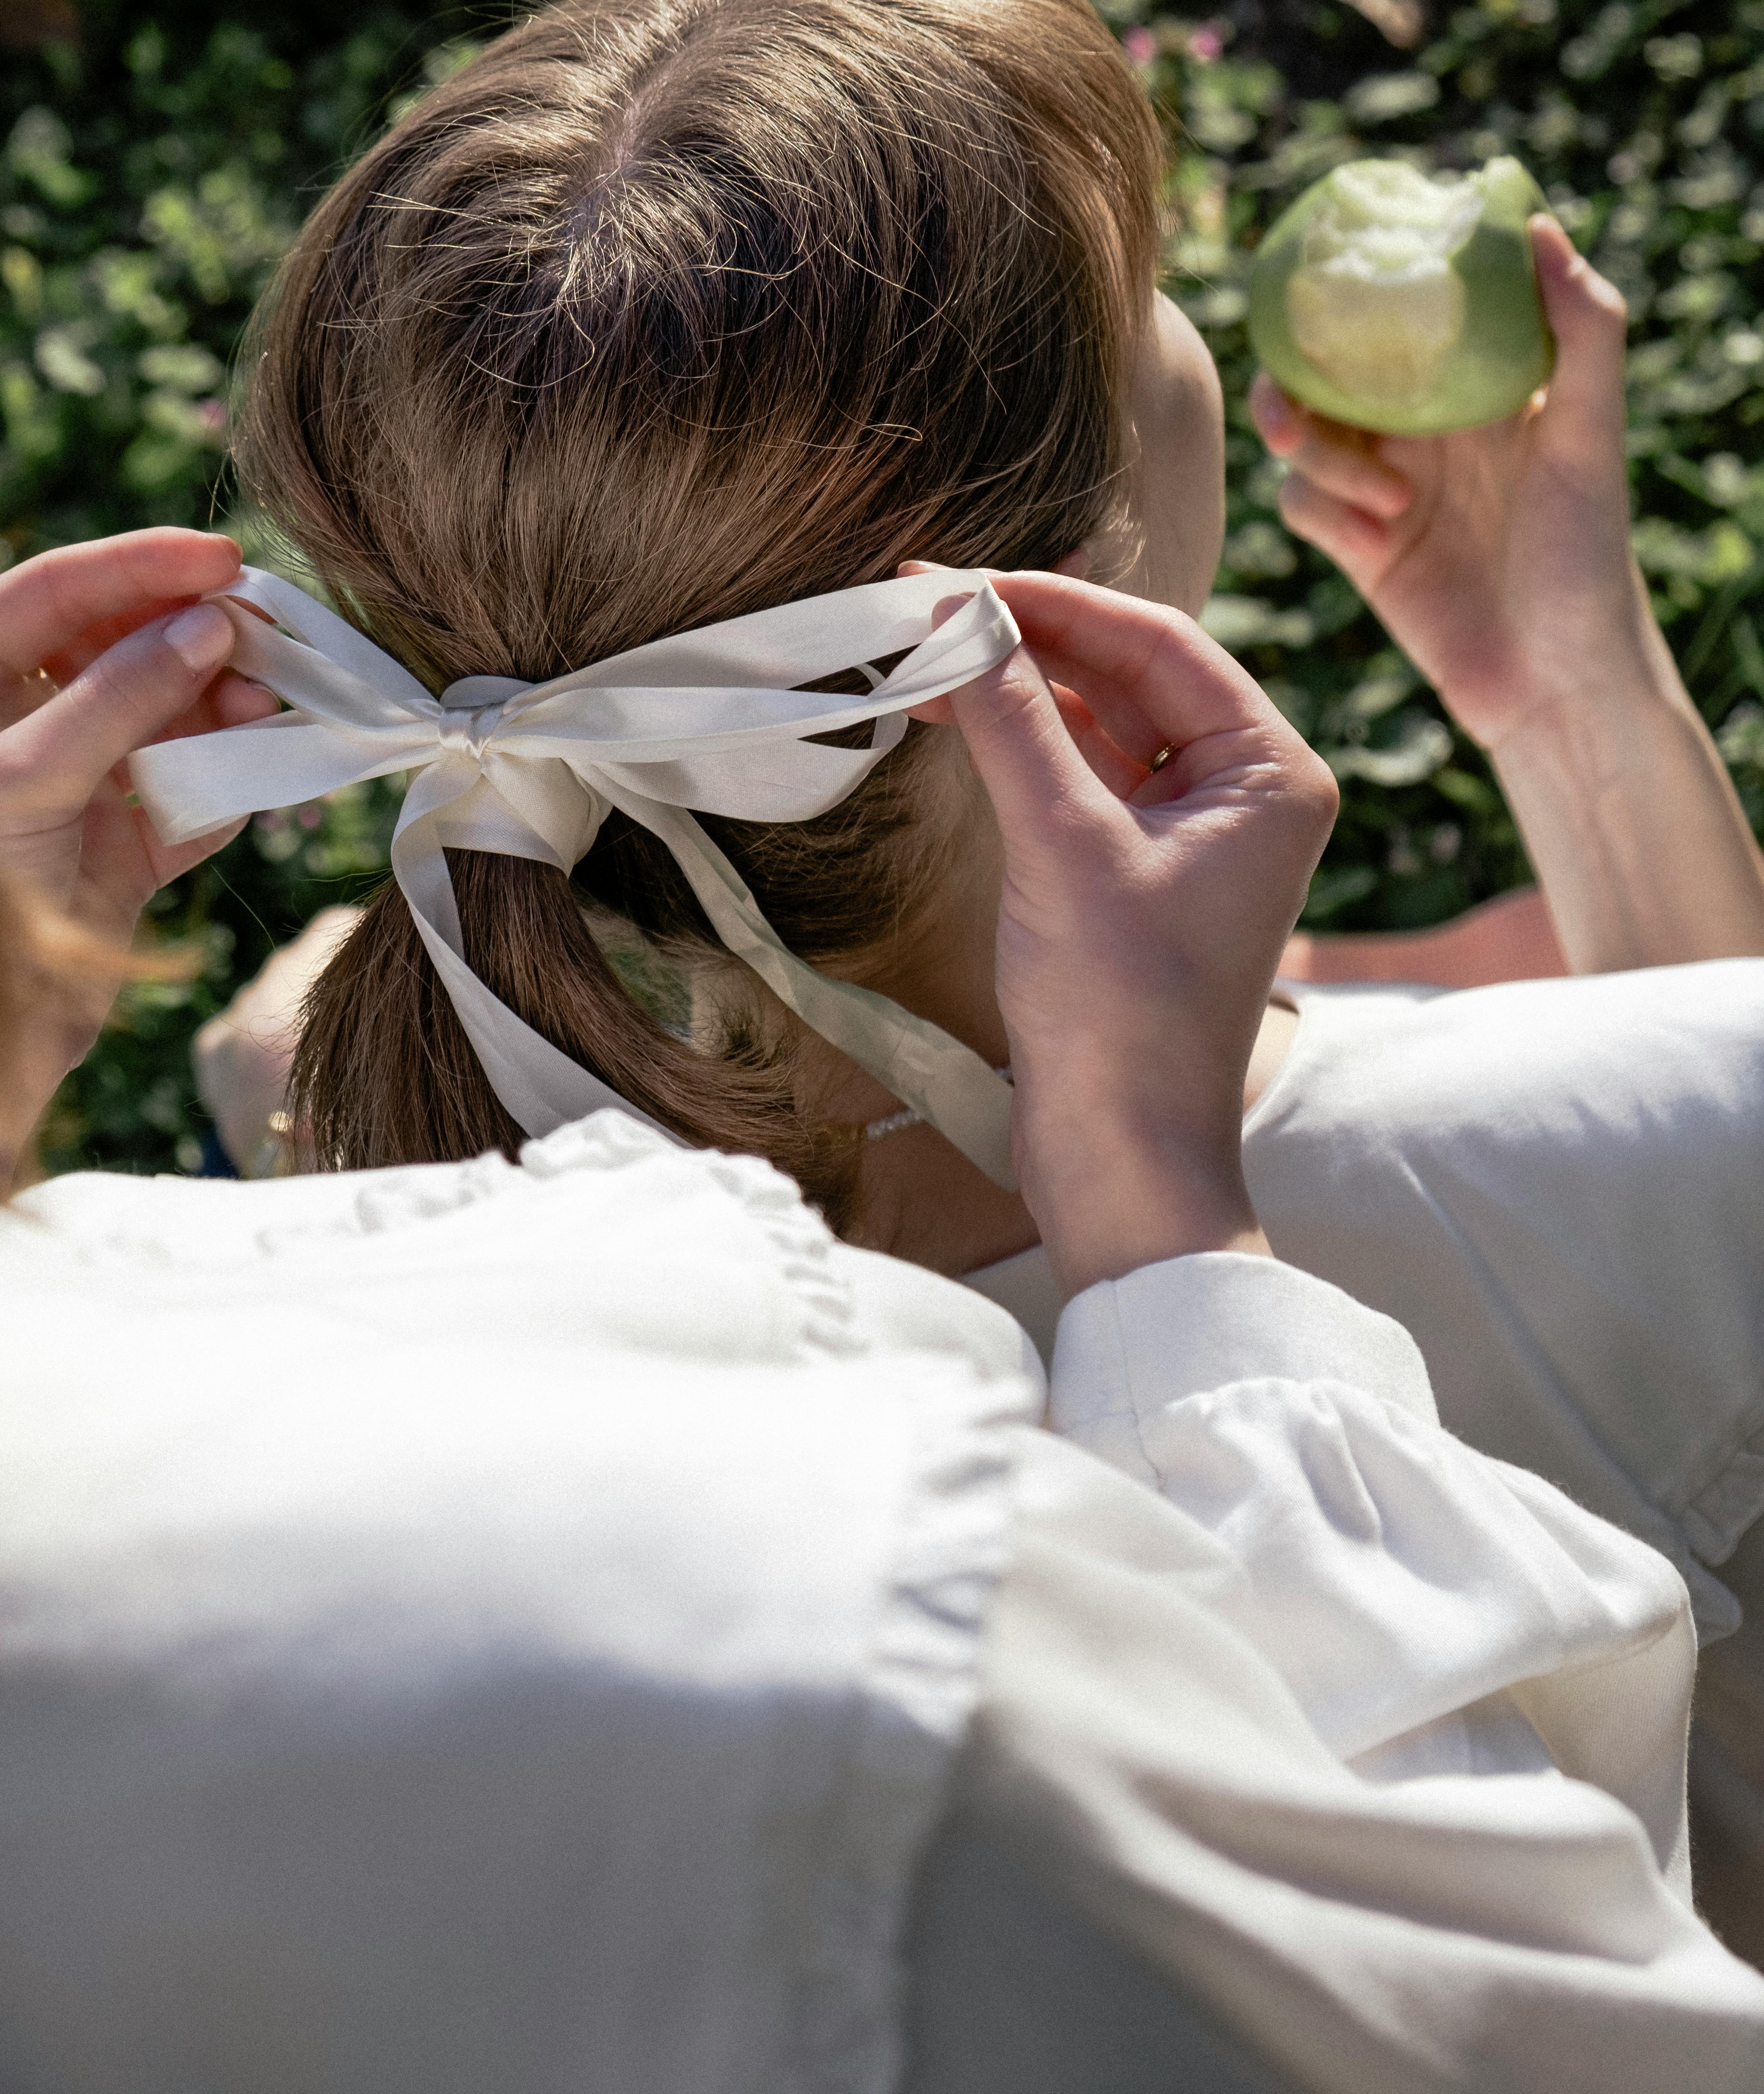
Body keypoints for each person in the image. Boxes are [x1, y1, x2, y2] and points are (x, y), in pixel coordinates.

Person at [180, 0, 1764, 1948]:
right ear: (1066, 598)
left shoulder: (358, 1298)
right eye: (1154, 293)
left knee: (257, 1038)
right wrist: (1578, 695)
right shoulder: (1624, 1151)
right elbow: (1675, 1145)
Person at [4, 523, 1764, 2092]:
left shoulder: (289, 1310)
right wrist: (1168, 1239)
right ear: (1061, 631)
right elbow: (1477, 2016)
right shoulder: (868, 1607)